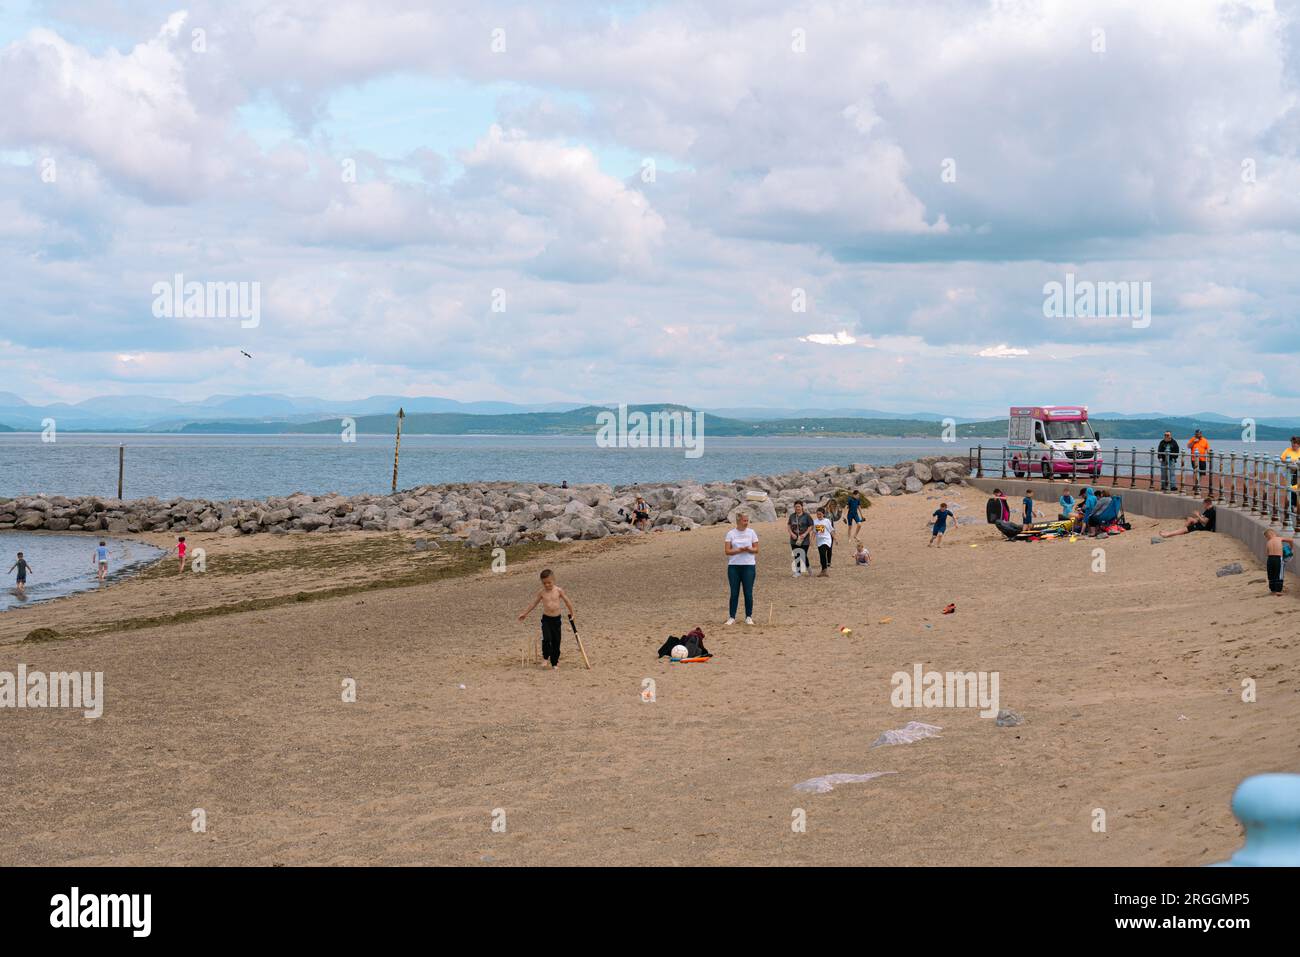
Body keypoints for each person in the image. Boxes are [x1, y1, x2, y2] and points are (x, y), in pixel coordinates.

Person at [517, 568, 576, 668]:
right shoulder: (542, 592)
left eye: (549, 582)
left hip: (557, 619)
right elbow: (534, 603)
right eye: (544, 583)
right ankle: (545, 657)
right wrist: (525, 613)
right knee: (547, 638)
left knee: (556, 641)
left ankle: (554, 662)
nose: (547, 585)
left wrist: (572, 613)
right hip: (546, 619)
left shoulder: (559, 590)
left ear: (554, 580)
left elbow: (567, 601)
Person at [724, 511, 759, 624]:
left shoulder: (752, 532)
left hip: (748, 565)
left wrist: (748, 549)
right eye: (744, 520)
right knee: (734, 592)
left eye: (747, 520)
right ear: (738, 521)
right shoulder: (731, 533)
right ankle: (732, 617)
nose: (746, 523)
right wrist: (738, 550)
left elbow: (756, 549)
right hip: (734, 566)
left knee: (748, 592)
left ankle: (748, 616)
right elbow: (727, 551)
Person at [1264, 528, 1294, 596]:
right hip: (1278, 558)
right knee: (1279, 574)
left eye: (1266, 537)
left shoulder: (1268, 542)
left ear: (1269, 535)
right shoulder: (1279, 538)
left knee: (1271, 573)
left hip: (1270, 559)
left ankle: (1273, 590)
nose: (1266, 538)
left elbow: (1266, 553)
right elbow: (1291, 540)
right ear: (1274, 533)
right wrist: (1291, 548)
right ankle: (1278, 590)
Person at [787, 500, 813, 577]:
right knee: (796, 555)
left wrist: (805, 534)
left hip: (804, 539)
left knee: (803, 555)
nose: (797, 508)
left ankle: (808, 567)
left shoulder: (806, 516)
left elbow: (811, 526)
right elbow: (788, 525)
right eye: (796, 507)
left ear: (802, 507)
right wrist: (791, 534)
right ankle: (798, 571)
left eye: (799, 506)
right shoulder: (792, 516)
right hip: (794, 539)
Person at [812, 507, 835, 577]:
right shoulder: (815, 521)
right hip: (819, 540)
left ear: (823, 514)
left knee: (823, 552)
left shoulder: (827, 521)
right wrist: (811, 540)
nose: (818, 516)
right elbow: (814, 532)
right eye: (817, 514)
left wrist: (835, 538)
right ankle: (823, 570)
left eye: (820, 514)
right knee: (821, 555)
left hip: (827, 540)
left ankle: (824, 570)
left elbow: (831, 530)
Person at [1280, 436, 1300, 515]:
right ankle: (1292, 506)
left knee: (1297, 488)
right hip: (1289, 473)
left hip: (1298, 473)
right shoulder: (1288, 450)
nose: (1293, 446)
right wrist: (1290, 461)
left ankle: (1295, 505)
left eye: (1295, 444)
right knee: (1291, 489)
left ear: (1299, 444)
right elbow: (1282, 459)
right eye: (1292, 444)